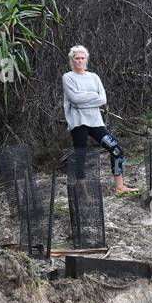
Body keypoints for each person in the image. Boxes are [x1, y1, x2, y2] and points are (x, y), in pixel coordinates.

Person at [62, 45, 137, 194]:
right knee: (81, 156)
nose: (80, 61)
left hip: (96, 122)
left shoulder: (94, 77)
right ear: (72, 60)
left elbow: (102, 99)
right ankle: (83, 193)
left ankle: (120, 186)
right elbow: (75, 99)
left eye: (82, 58)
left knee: (116, 149)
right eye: (77, 58)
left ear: (86, 60)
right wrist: (92, 96)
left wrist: (84, 99)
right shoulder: (68, 77)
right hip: (78, 123)